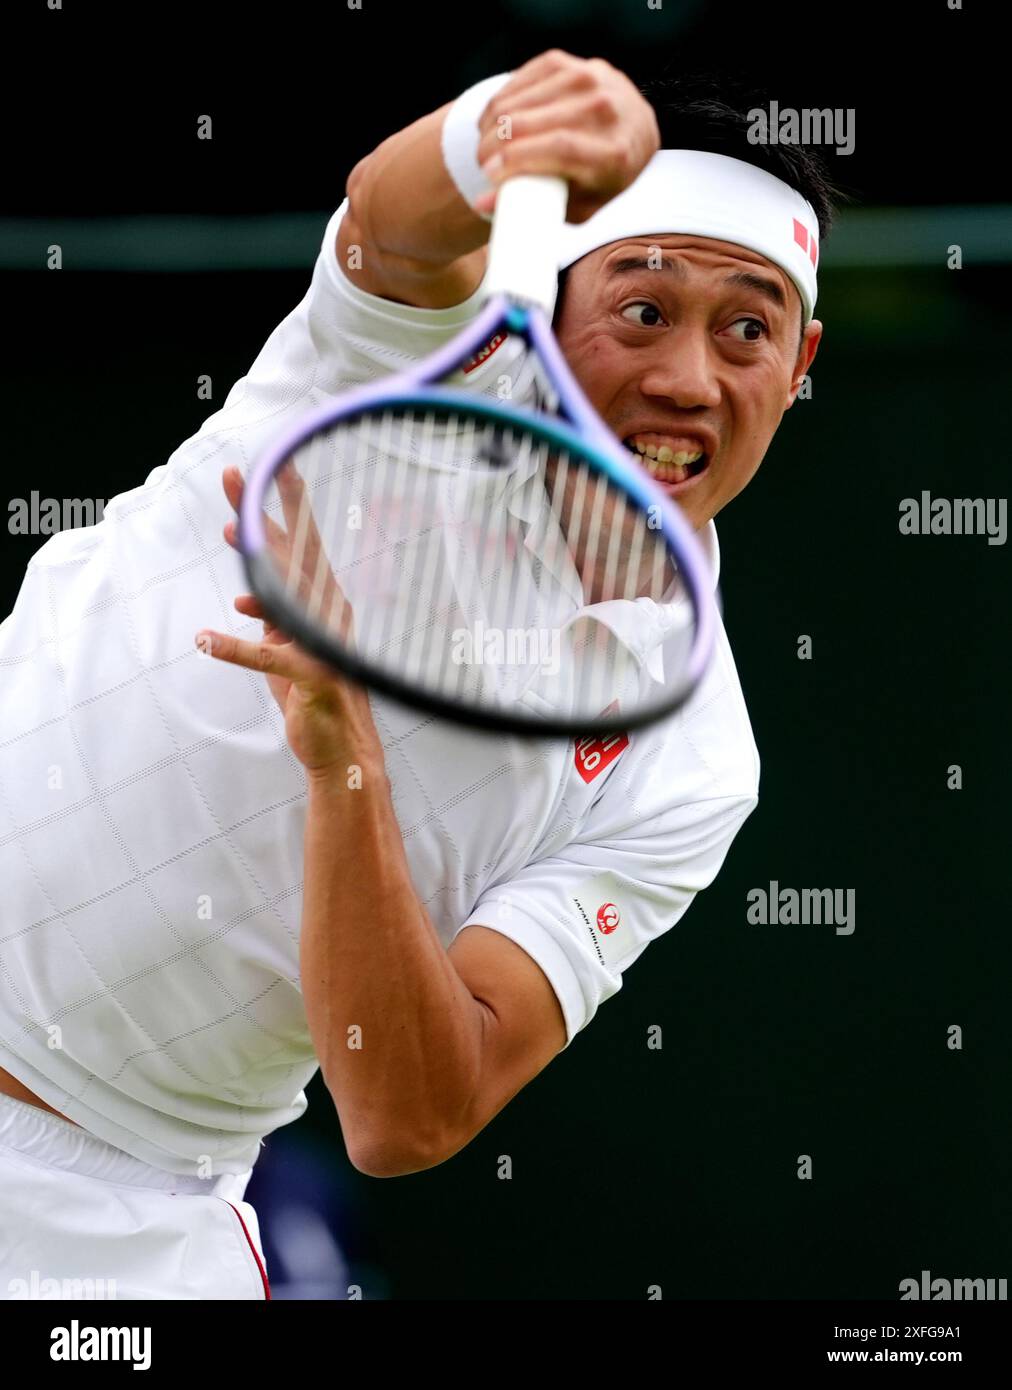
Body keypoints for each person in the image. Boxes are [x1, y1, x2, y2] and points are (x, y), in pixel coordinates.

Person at [0, 51, 830, 1299]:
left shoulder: (693, 759)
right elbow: (391, 225)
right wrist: (492, 130)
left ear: (802, 359)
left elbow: (407, 1115)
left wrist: (346, 768)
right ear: (543, 307)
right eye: (642, 310)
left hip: (116, 1224)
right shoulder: (403, 371)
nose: (685, 380)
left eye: (747, 330)